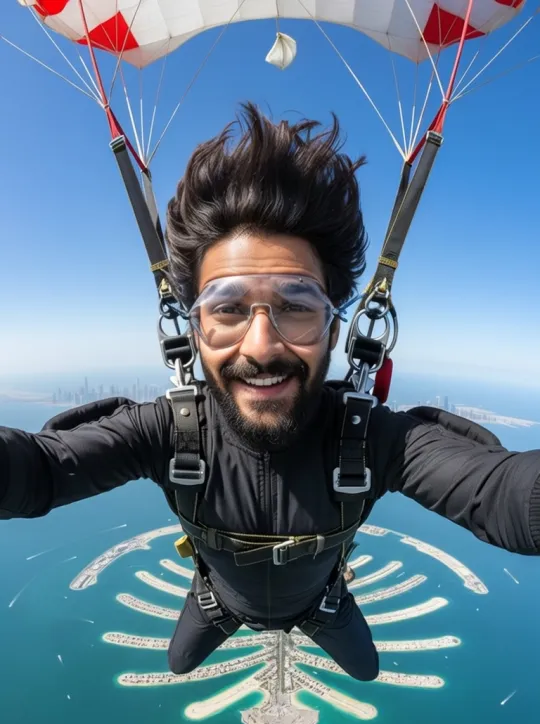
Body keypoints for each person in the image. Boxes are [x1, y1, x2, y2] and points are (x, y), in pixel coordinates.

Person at [1, 104, 539, 683]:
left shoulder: (374, 440)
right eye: (227, 308)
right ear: (194, 332)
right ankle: (219, 598)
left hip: (319, 603)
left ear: (335, 330)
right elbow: (42, 470)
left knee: (365, 669)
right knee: (179, 663)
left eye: (297, 306)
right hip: (221, 600)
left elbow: (500, 495)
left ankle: (302, 603)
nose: (260, 346)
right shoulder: (166, 432)